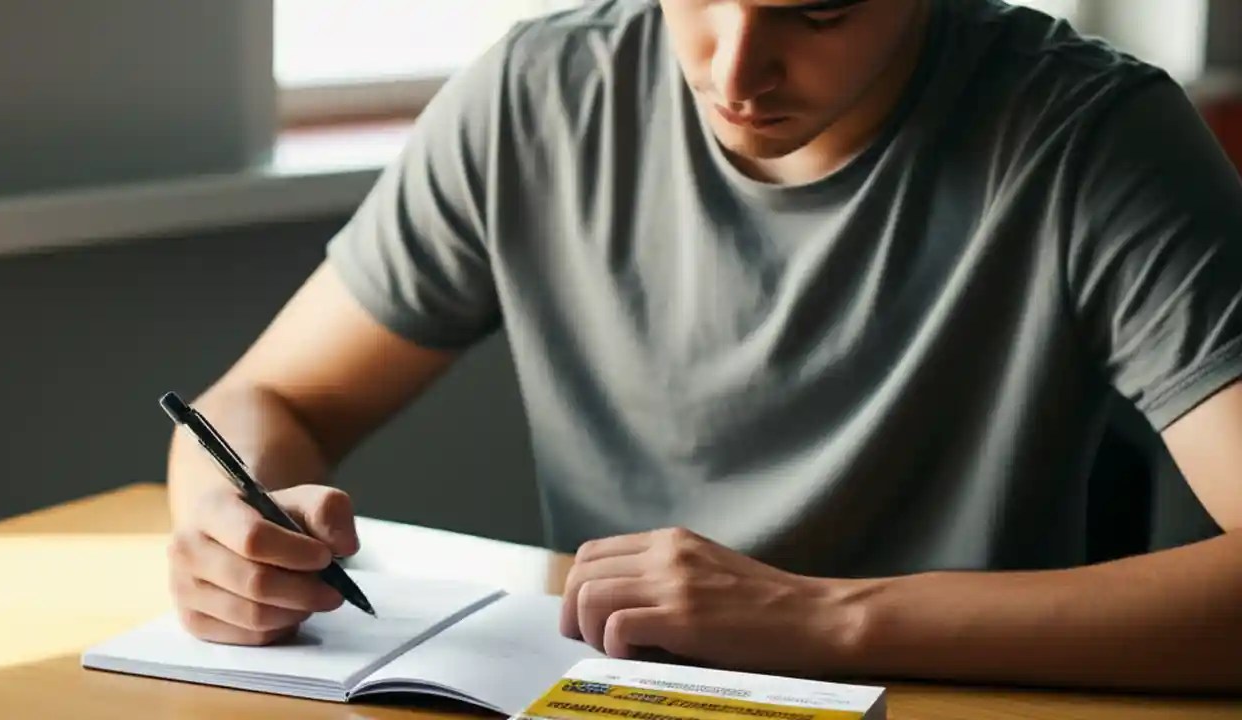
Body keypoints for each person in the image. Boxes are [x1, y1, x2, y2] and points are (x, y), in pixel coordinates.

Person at [165, 0, 1242, 692]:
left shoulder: (1092, 135)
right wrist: (232, 520)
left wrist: (820, 618)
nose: (734, 69)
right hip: (616, 694)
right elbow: (270, 396)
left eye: (814, 13)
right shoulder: (537, 96)